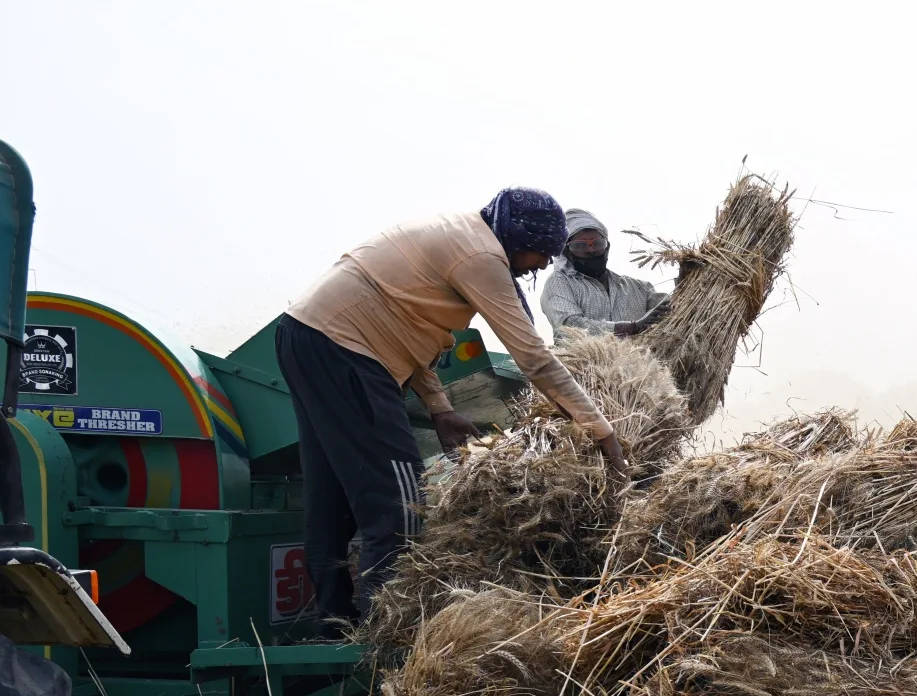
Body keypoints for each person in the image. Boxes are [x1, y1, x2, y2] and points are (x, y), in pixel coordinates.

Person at [276, 187, 627, 626]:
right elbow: (534, 358)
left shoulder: (462, 234)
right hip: (348, 351)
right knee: (402, 504)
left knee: (331, 494)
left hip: (308, 336)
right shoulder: (480, 257)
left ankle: (333, 622)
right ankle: (385, 630)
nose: (541, 264)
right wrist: (600, 429)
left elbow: (404, 327)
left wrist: (439, 407)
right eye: (540, 252)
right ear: (517, 238)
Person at [541, 208, 671, 342]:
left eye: (597, 244)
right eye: (580, 246)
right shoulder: (559, 282)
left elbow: (671, 311)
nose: (591, 250)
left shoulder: (640, 288)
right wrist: (633, 327)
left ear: (607, 246)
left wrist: (684, 282)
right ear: (566, 252)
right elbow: (569, 325)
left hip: (638, 357)